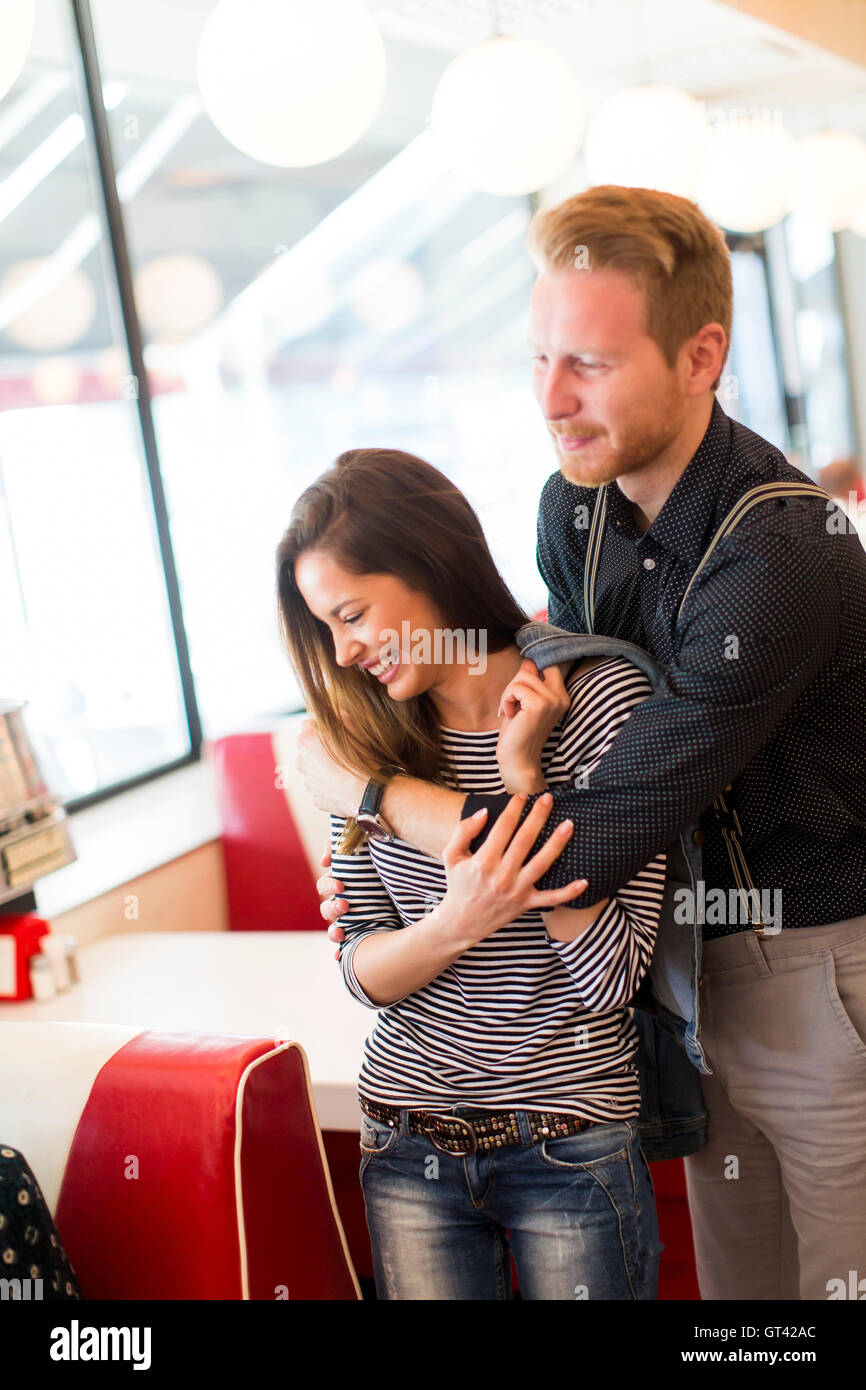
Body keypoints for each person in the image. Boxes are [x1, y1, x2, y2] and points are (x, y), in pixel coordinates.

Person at [299, 185, 866, 1301]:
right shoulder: (576, 506)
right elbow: (555, 713)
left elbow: (603, 819)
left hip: (810, 963)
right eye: (537, 359)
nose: (552, 401)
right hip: (675, 968)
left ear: (701, 355)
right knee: (740, 1296)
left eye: (590, 366)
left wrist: (369, 794)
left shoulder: (785, 553)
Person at [275, 447, 667, 1300]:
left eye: (352, 615)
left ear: (429, 563)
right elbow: (364, 972)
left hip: (570, 1139)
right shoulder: (356, 745)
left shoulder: (599, 700)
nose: (342, 654)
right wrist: (456, 921)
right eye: (325, 629)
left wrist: (524, 777)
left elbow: (608, 981)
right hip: (408, 1141)